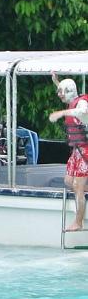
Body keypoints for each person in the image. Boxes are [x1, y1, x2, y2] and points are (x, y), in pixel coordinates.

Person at [49, 73, 88, 230]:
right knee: (68, 181)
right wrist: (56, 81)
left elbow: (83, 112)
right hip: (77, 150)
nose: (59, 95)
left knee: (78, 186)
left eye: (61, 92)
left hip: (85, 150)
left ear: (69, 91)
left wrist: (61, 113)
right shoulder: (73, 101)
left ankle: (78, 222)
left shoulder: (82, 103)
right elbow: (66, 92)